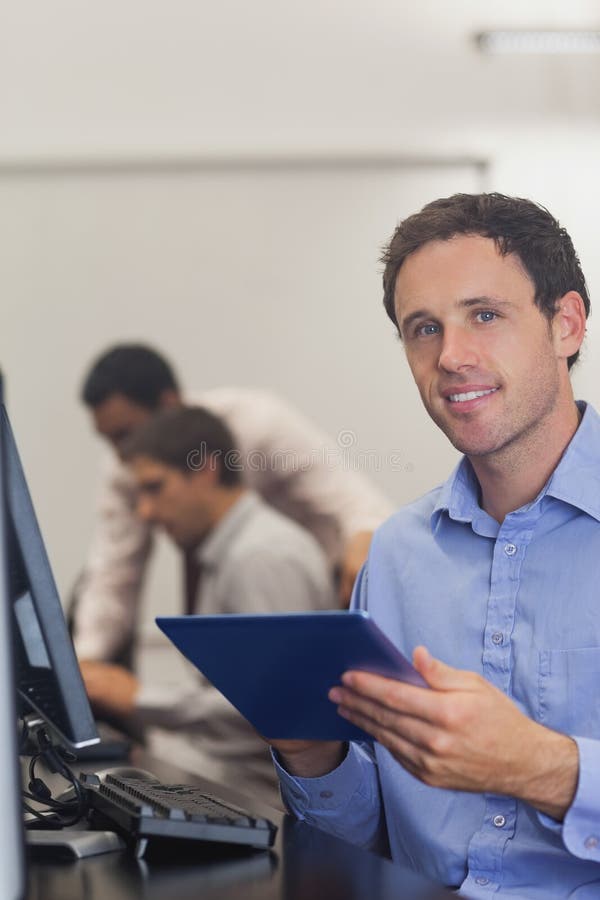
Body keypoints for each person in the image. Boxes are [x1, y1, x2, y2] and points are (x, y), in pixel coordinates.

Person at [269, 193, 600, 897]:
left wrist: (541, 766)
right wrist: (310, 754)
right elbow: (367, 837)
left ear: (565, 323)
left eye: (485, 315)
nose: (451, 356)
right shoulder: (394, 556)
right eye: (424, 328)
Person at [81, 405, 336, 806]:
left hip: (262, 795)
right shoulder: (228, 550)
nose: (144, 512)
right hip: (226, 773)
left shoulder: (262, 556)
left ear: (205, 470)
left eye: (154, 488)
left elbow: (278, 706)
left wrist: (138, 698)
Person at [73, 344, 393, 662]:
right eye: (109, 440)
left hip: (328, 595)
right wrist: (84, 667)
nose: (119, 454)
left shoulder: (260, 423)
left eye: (125, 434)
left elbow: (357, 502)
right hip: (239, 602)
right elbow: (113, 578)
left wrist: (364, 544)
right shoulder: (122, 470)